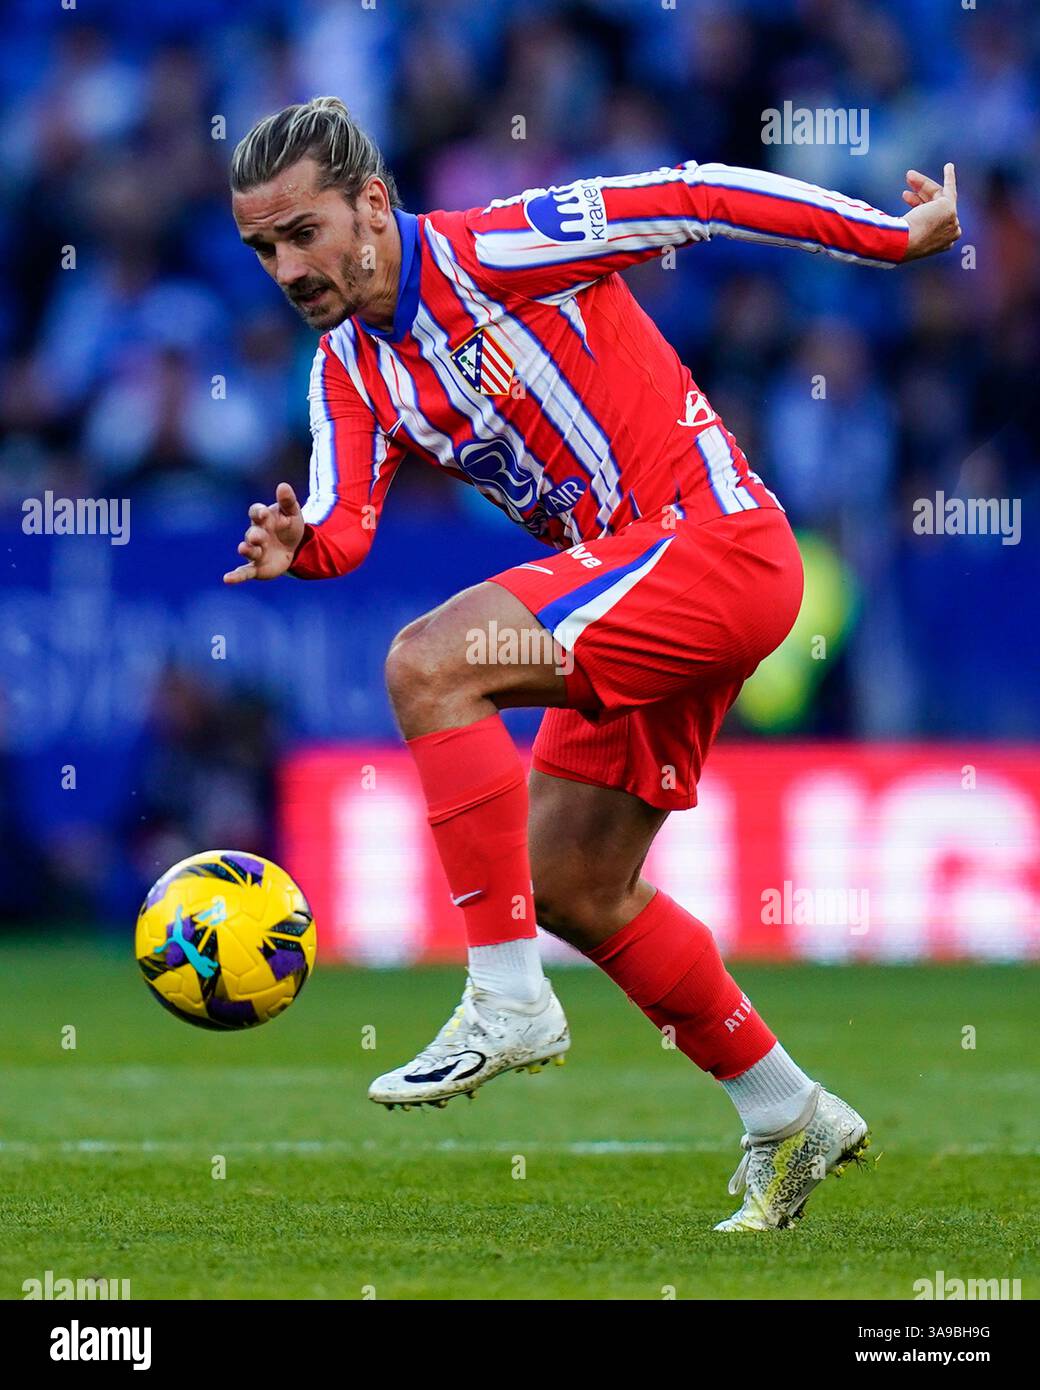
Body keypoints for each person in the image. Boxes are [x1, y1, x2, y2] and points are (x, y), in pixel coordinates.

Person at [225, 97, 960, 1231]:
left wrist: (886, 235)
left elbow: (690, 194)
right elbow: (343, 522)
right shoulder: (347, 372)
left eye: (304, 231)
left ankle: (505, 1000)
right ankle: (788, 1113)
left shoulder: (505, 243)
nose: (287, 266)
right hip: (636, 588)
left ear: (373, 203)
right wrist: (298, 548)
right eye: (263, 248)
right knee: (571, 883)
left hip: (713, 544)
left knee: (429, 664)